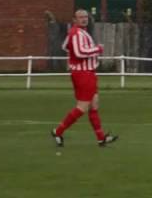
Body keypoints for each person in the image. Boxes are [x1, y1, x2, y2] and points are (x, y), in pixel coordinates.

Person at [50, 9, 118, 147]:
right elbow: (80, 52)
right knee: (82, 107)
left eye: (85, 16)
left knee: (94, 105)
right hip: (83, 74)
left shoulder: (79, 32)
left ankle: (101, 138)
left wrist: (74, 58)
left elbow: (65, 47)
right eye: (80, 17)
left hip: (88, 72)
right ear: (74, 19)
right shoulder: (76, 33)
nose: (84, 19)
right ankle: (58, 131)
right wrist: (97, 49)